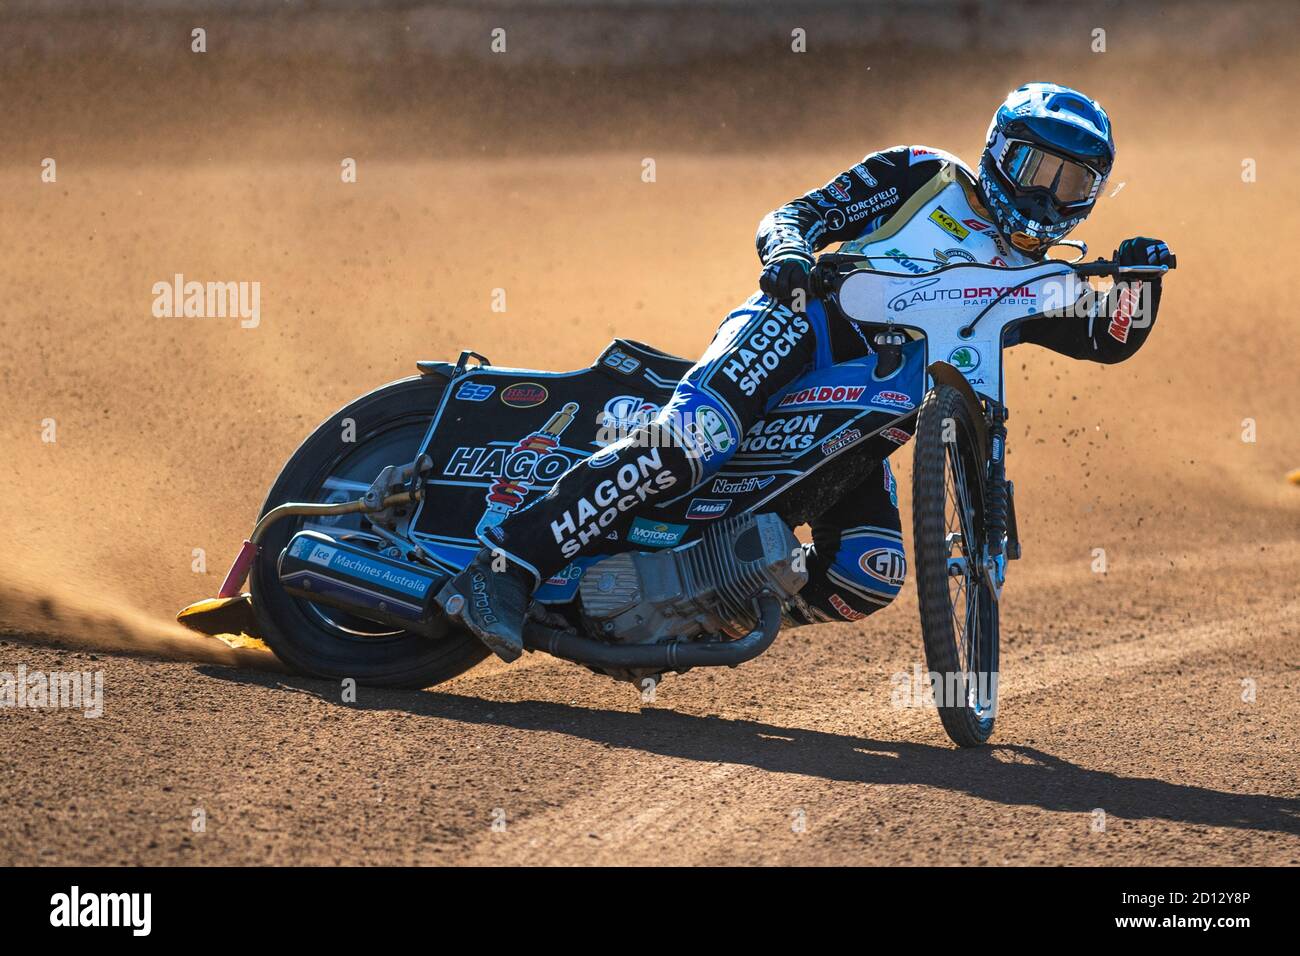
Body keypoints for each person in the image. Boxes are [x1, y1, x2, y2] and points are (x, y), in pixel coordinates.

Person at [438, 81, 1174, 661]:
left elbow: (1108, 338)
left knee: (871, 572)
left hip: (871, 420)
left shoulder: (1038, 280)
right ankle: (504, 567)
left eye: (1072, 183)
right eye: (1033, 167)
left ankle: (700, 607)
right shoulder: (921, 174)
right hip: (799, 328)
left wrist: (1142, 282)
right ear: (994, 150)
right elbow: (799, 214)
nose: (1046, 193)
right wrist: (786, 257)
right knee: (690, 441)